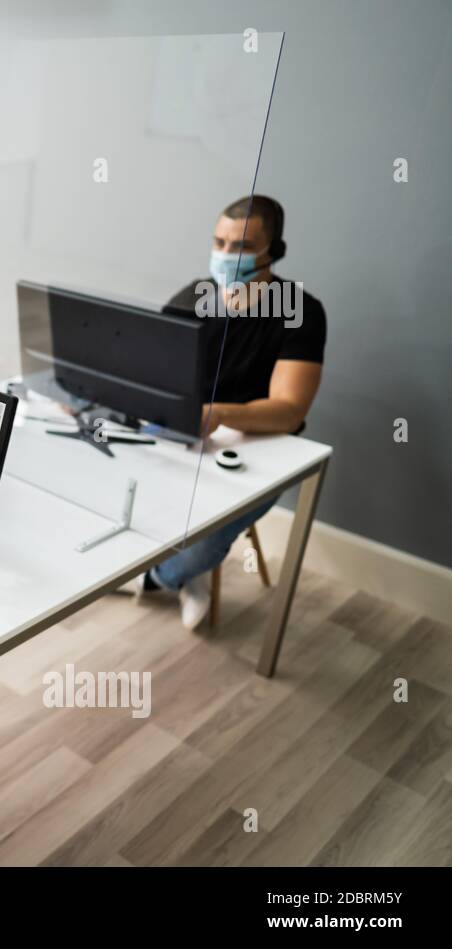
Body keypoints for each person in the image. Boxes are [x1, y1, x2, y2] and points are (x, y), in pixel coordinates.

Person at [126, 195, 327, 629]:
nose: (224, 254)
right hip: (183, 432)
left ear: (273, 252)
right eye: (218, 241)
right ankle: (177, 571)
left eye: (240, 246)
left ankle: (166, 576)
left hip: (257, 447)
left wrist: (218, 414)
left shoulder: (300, 312)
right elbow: (153, 368)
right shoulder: (194, 296)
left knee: (203, 542)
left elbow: (289, 411)